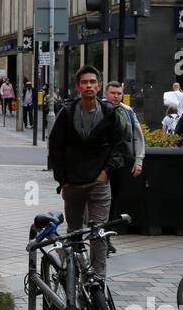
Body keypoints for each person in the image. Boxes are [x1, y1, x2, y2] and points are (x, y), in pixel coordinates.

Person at [47, 66, 126, 271]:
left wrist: (105, 172)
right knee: (74, 232)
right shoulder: (68, 112)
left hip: (98, 182)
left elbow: (119, 146)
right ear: (78, 87)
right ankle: (71, 276)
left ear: (99, 87)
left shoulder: (109, 112)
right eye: (84, 82)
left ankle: (97, 282)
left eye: (92, 82)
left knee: (98, 233)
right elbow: (55, 147)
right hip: (73, 183)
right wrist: (62, 179)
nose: (88, 86)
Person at [103, 81, 144, 203]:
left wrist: (139, 161)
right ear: (106, 93)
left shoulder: (128, 111)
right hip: (102, 162)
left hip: (124, 160)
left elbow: (137, 136)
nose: (116, 96)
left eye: (119, 93)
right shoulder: (98, 108)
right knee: (101, 196)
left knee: (118, 196)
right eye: (113, 93)